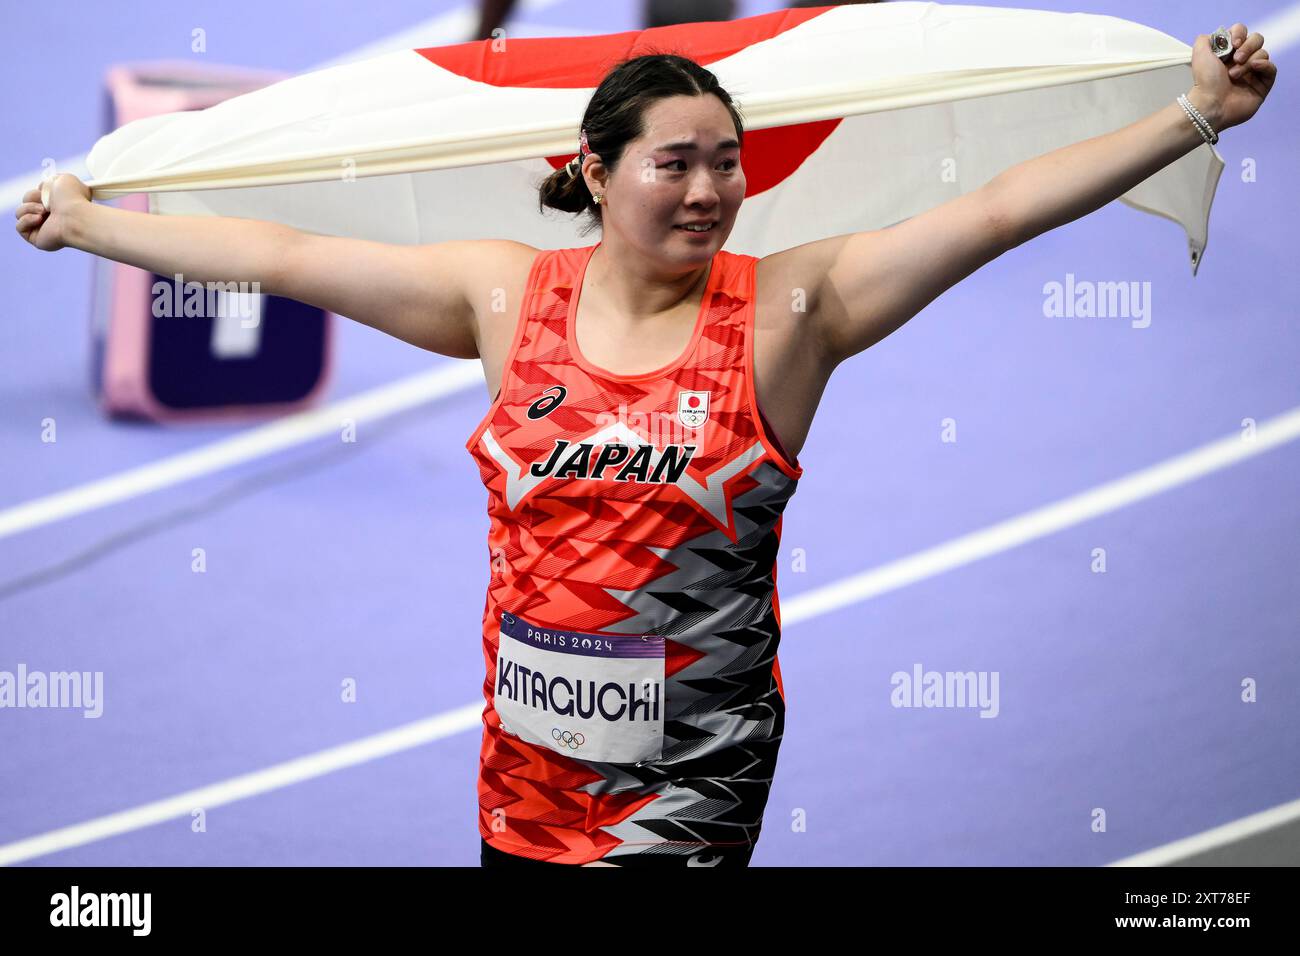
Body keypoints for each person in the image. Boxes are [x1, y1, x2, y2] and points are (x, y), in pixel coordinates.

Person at [16, 25, 1274, 867]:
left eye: (727, 166)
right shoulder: (504, 297)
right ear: (596, 172)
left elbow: (993, 212)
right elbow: (286, 260)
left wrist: (1193, 115)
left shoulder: (790, 311)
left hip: (692, 786)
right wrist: (93, 224)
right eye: (675, 164)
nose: (710, 191)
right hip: (521, 774)